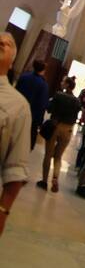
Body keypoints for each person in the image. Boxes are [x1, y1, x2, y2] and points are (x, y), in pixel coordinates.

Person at [0, 32, 31, 238]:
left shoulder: (18, 106)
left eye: (8, 43)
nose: (1, 42)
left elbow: (15, 169)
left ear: (12, 62)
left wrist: (2, 212)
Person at [36, 75, 79, 192]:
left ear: (67, 85)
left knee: (48, 154)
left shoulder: (58, 95)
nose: (61, 83)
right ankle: (55, 177)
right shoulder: (77, 100)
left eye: (63, 82)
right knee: (58, 156)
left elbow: (49, 109)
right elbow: (76, 116)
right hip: (68, 129)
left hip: (56, 125)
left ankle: (44, 181)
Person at [15, 57, 49, 149]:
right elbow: (42, 104)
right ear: (43, 69)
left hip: (18, 113)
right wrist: (40, 121)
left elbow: (16, 93)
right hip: (32, 118)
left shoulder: (24, 77)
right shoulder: (43, 84)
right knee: (25, 145)